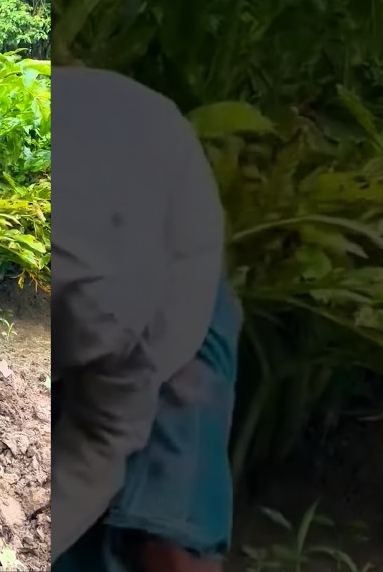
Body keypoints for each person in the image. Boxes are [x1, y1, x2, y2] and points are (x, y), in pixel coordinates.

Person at [50, 67, 244, 572]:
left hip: (167, 243)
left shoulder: (116, 308)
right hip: (100, 160)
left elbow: (101, 438)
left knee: (167, 530)